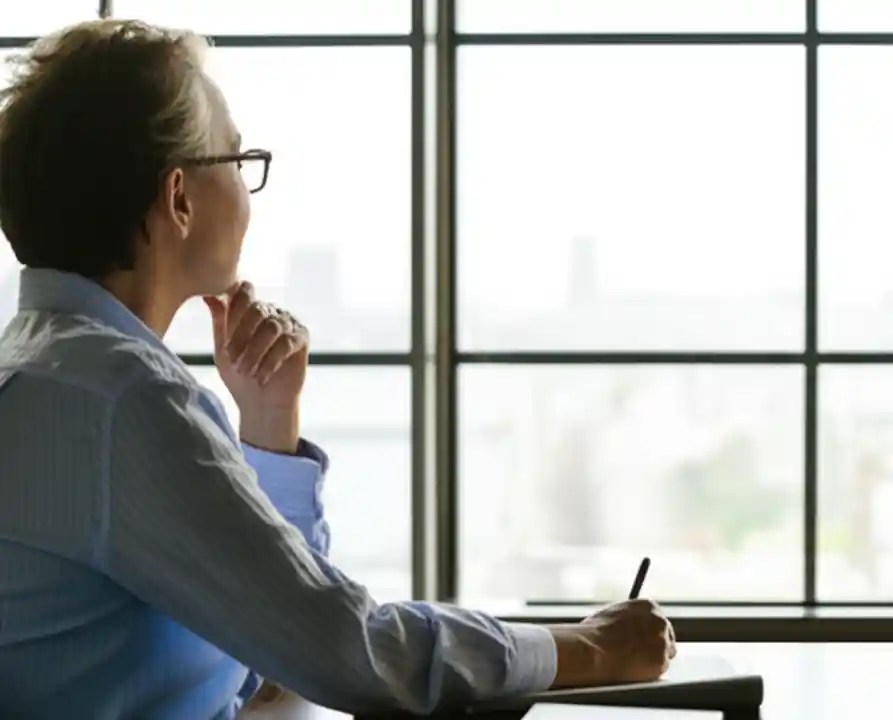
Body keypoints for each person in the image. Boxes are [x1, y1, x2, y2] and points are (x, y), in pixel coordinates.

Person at [0, 19, 676, 719]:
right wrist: (586, 648)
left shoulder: (48, 372)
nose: (246, 185)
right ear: (179, 199)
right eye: (236, 159)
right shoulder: (124, 401)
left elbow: (273, 654)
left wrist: (268, 423)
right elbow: (353, 655)